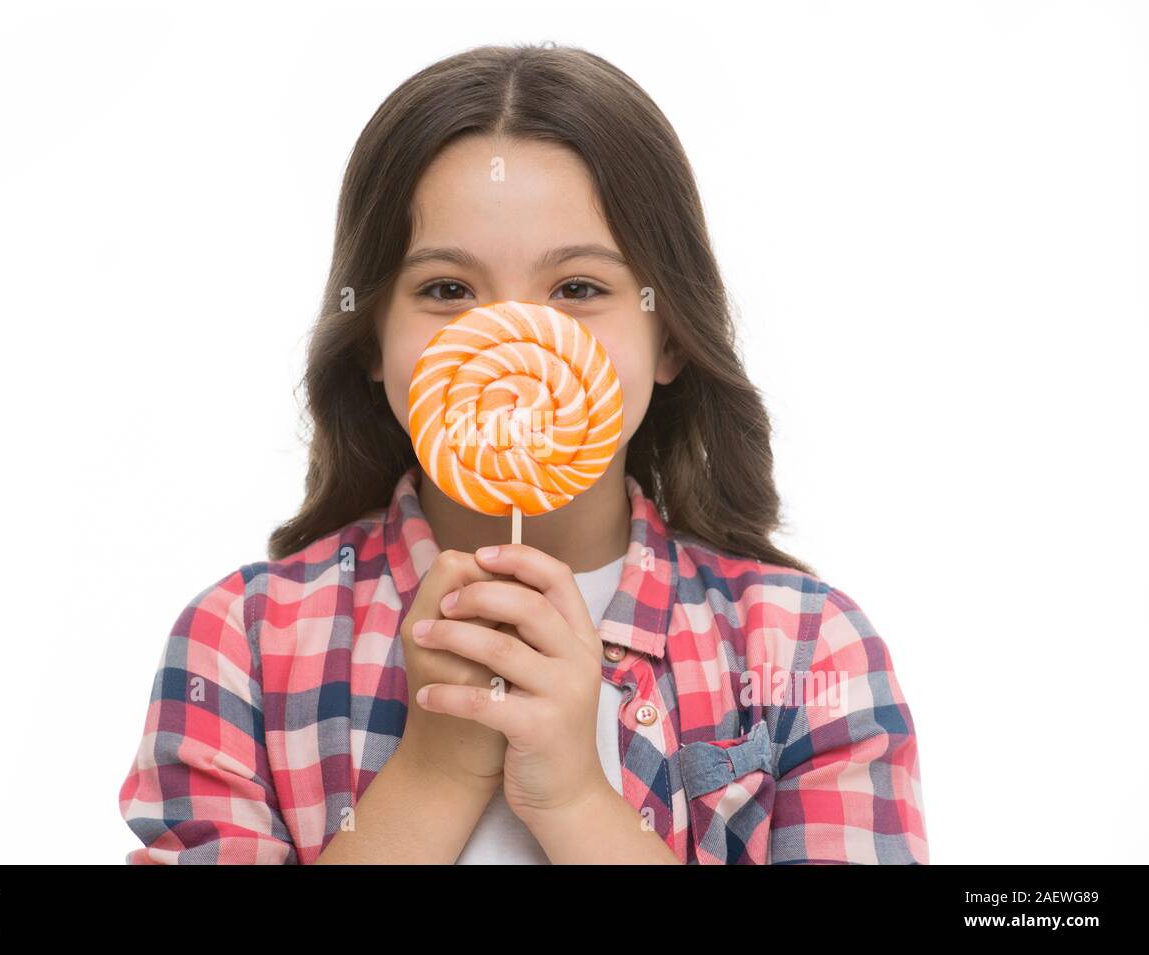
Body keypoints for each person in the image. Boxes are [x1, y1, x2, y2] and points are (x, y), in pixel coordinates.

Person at [116, 42, 928, 864]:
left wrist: (575, 798)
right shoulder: (242, 644)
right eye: (447, 290)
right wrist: (436, 769)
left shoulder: (803, 649)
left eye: (577, 290)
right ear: (371, 336)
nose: (514, 340)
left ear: (671, 331)